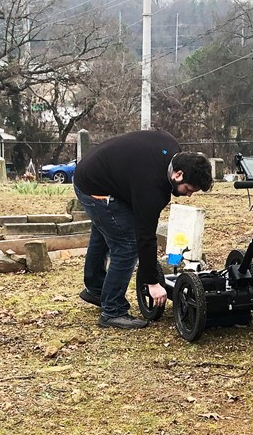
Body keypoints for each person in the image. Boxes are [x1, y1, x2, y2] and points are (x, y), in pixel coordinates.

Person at [73, 130, 213, 329]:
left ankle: (96, 289)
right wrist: (152, 283)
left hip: (98, 173)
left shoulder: (172, 146)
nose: (188, 195)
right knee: (126, 244)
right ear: (178, 174)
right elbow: (145, 236)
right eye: (188, 189)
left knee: (105, 230)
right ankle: (112, 310)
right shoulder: (151, 189)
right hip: (93, 186)